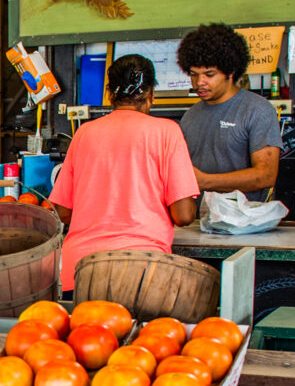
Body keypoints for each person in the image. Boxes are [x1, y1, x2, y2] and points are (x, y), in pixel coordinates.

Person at [46, 54, 199, 293]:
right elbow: (184, 215)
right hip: (143, 272)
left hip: (81, 271)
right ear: (151, 95)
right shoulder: (168, 132)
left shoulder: (84, 134)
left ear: (109, 95)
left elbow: (63, 211)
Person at [176, 21, 281, 197]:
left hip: (244, 221)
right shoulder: (190, 116)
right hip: (196, 221)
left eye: (209, 74)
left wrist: (206, 181)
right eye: (194, 75)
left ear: (230, 72)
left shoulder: (257, 110)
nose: (199, 82)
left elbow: (266, 175)